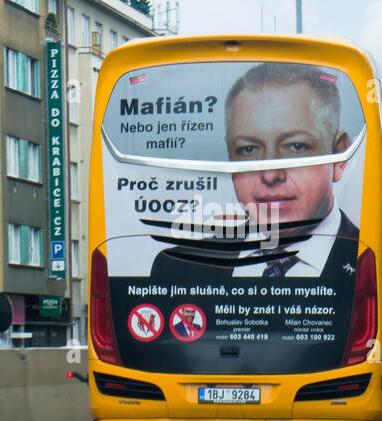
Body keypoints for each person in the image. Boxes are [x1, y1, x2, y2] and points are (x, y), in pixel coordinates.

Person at [151, 62, 359, 285]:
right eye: (248, 150)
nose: (270, 175)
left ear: (339, 156)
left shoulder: (364, 261)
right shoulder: (177, 268)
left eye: (296, 147)